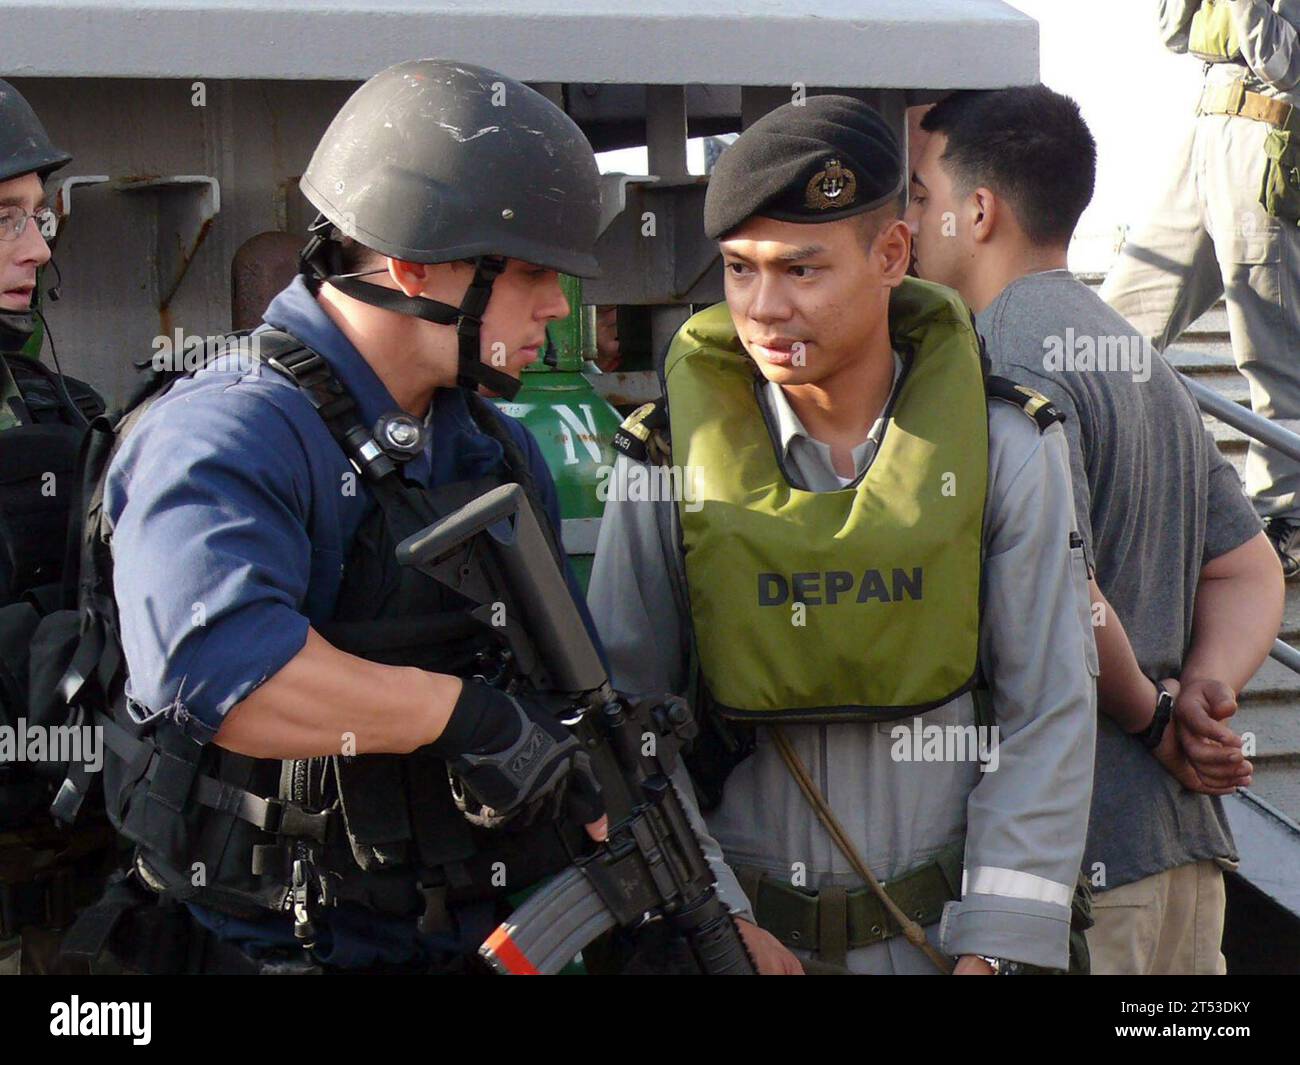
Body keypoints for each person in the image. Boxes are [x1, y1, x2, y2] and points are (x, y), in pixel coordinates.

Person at [60, 59, 634, 975]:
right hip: (265, 940)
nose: (557, 306)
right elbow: (223, 669)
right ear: (411, 264)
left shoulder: (486, 442)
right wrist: (466, 718)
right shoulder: (231, 427)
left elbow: (565, 677)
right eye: (530, 272)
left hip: (456, 928)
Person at [588, 95, 1098, 975]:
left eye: (802, 270)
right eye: (740, 270)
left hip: (941, 946)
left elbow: (1046, 712)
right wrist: (716, 924)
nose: (764, 308)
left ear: (893, 253)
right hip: (740, 946)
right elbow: (624, 721)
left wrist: (999, 952)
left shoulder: (1007, 448)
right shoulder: (668, 457)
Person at [908, 85, 1284, 974]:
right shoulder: (1136, 356)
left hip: (1079, 878)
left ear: (980, 210)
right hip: (1187, 863)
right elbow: (1248, 567)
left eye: (923, 195)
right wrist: (1205, 691)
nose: (912, 220)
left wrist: (1156, 717)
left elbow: (1065, 586)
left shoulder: (998, 357)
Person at [1101, 0, 1300, 576]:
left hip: (1270, 135)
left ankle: (1288, 517)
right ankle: (1092, 472)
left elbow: (1284, 62)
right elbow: (1176, 34)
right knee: (1114, 327)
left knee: (1272, 348)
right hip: (1207, 129)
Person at [0, 78, 113, 975]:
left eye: (40, 216)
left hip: (69, 898)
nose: (37, 247)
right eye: (5, 217)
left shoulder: (63, 410)